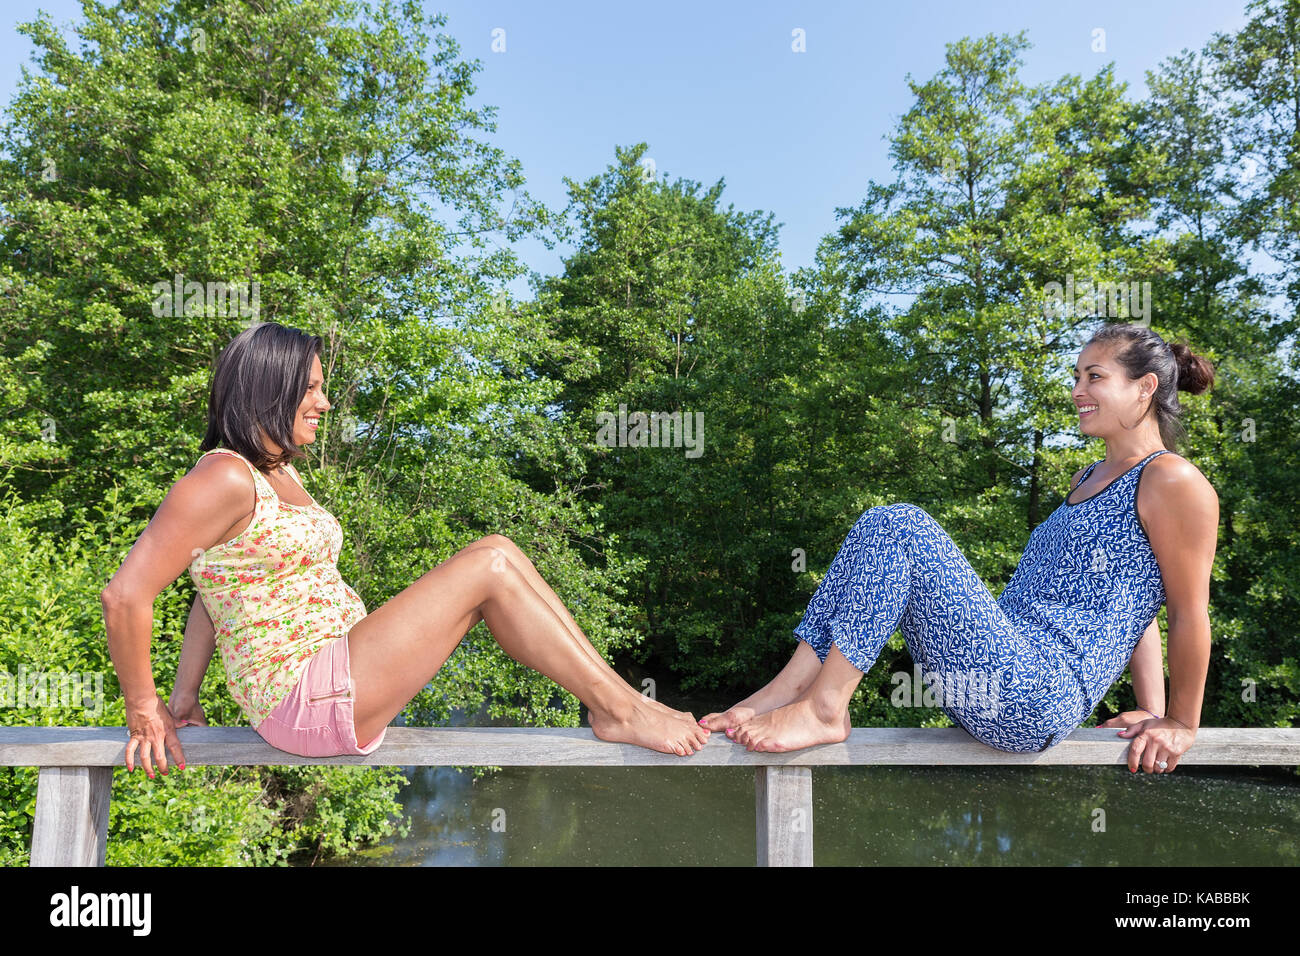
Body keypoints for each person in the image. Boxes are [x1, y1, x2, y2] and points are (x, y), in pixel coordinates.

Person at [102, 323, 710, 777]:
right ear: (270, 388)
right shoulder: (224, 477)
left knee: (503, 557)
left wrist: (185, 699)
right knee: (490, 561)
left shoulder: (274, 473)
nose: (325, 403)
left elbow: (215, 595)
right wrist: (145, 706)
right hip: (307, 696)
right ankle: (620, 710)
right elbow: (125, 594)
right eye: (311, 389)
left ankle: (622, 703)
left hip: (333, 678)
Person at [701, 323, 1218, 774]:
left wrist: (1178, 722)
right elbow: (1133, 606)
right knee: (879, 529)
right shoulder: (1089, 478)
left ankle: (824, 706)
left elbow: (1186, 609)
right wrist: (1149, 707)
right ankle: (787, 691)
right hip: (992, 669)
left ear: (1144, 387)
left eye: (1094, 376)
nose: (1077, 390)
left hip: (1034, 694)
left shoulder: (1171, 479)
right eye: (1077, 376)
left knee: (900, 525)